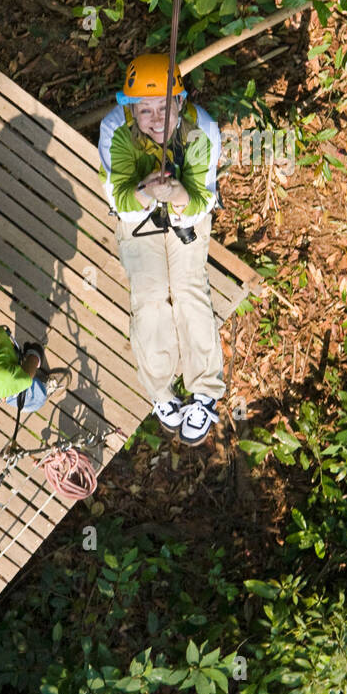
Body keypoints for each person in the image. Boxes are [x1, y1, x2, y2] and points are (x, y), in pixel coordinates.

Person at [98, 53, 224, 446]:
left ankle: (204, 391)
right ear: (130, 108)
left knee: (188, 290)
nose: (155, 119)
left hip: (187, 211)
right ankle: (161, 389)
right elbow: (118, 196)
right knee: (150, 297)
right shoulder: (114, 130)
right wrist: (146, 193)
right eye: (144, 109)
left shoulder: (202, 129)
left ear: (180, 103)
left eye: (164, 107)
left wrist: (179, 195)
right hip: (139, 215)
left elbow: (204, 198)